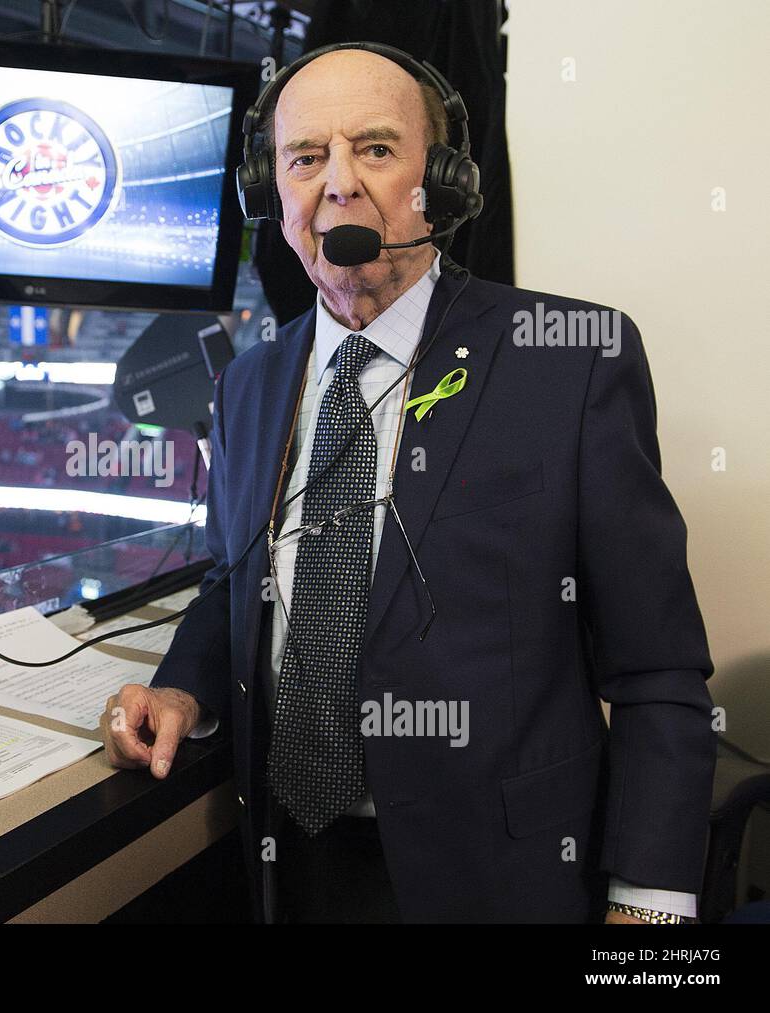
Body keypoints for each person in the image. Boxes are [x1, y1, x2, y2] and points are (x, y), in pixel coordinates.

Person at [100, 45, 714, 924]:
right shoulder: (249, 384)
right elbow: (236, 579)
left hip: (498, 878)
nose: (338, 184)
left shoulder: (571, 359)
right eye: (305, 158)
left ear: (446, 185)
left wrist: (650, 916)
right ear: (271, 195)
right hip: (287, 863)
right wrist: (179, 686)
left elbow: (657, 669)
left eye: (377, 149)